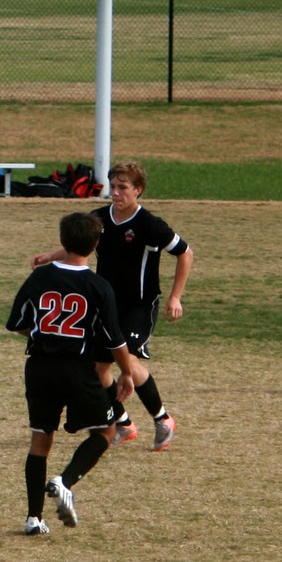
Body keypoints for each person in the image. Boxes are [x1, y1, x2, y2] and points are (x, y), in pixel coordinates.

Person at [32, 161, 191, 451]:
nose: (115, 193)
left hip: (139, 307)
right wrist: (50, 256)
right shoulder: (100, 219)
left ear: (138, 190)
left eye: (123, 188)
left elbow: (185, 253)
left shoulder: (150, 225)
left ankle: (163, 419)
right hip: (105, 304)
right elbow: (79, 244)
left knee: (126, 359)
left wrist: (175, 296)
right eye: (113, 187)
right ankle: (124, 423)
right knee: (96, 370)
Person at [6, 212, 130, 534]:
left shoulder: (39, 278)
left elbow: (17, 323)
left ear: (62, 241)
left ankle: (34, 518)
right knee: (106, 431)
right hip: (78, 369)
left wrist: (44, 336)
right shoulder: (98, 286)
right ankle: (64, 480)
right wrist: (127, 373)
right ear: (96, 244)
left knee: (40, 440)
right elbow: (115, 339)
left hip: (39, 368)